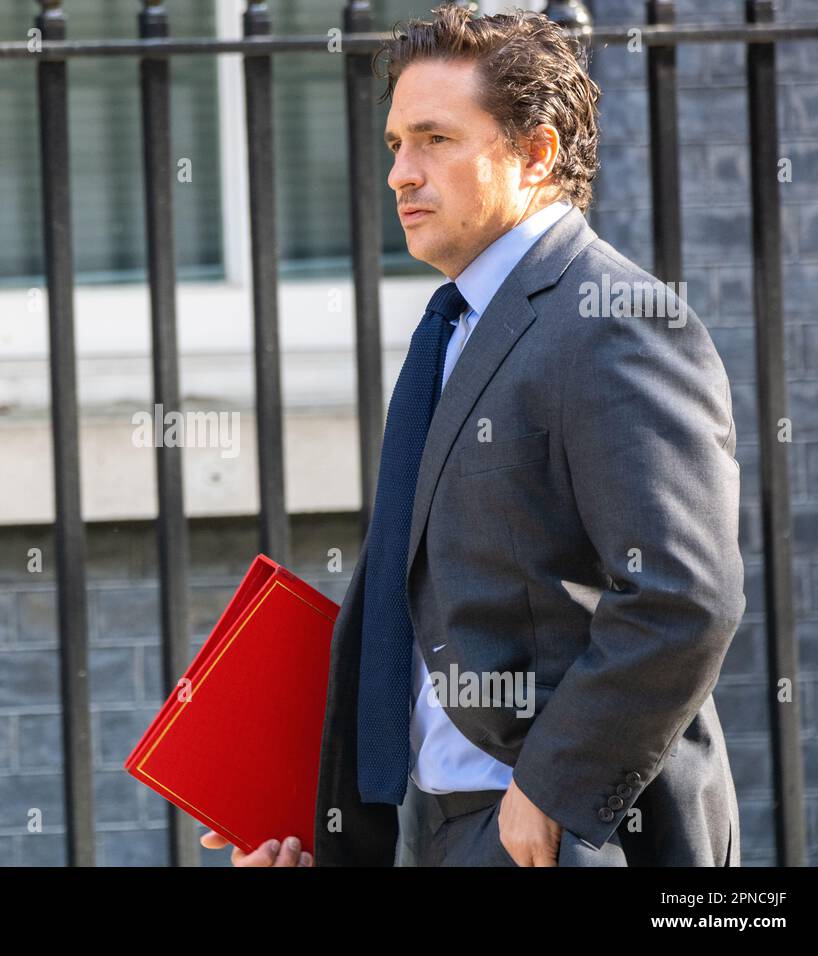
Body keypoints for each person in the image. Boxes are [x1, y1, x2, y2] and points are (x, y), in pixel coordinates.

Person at [201, 2, 744, 867]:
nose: (400, 175)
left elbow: (684, 597)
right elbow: (421, 606)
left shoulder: (615, 322)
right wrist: (316, 823)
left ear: (535, 154)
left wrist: (551, 791)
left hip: (561, 833)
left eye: (435, 140)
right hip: (446, 823)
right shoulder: (456, 329)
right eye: (394, 145)